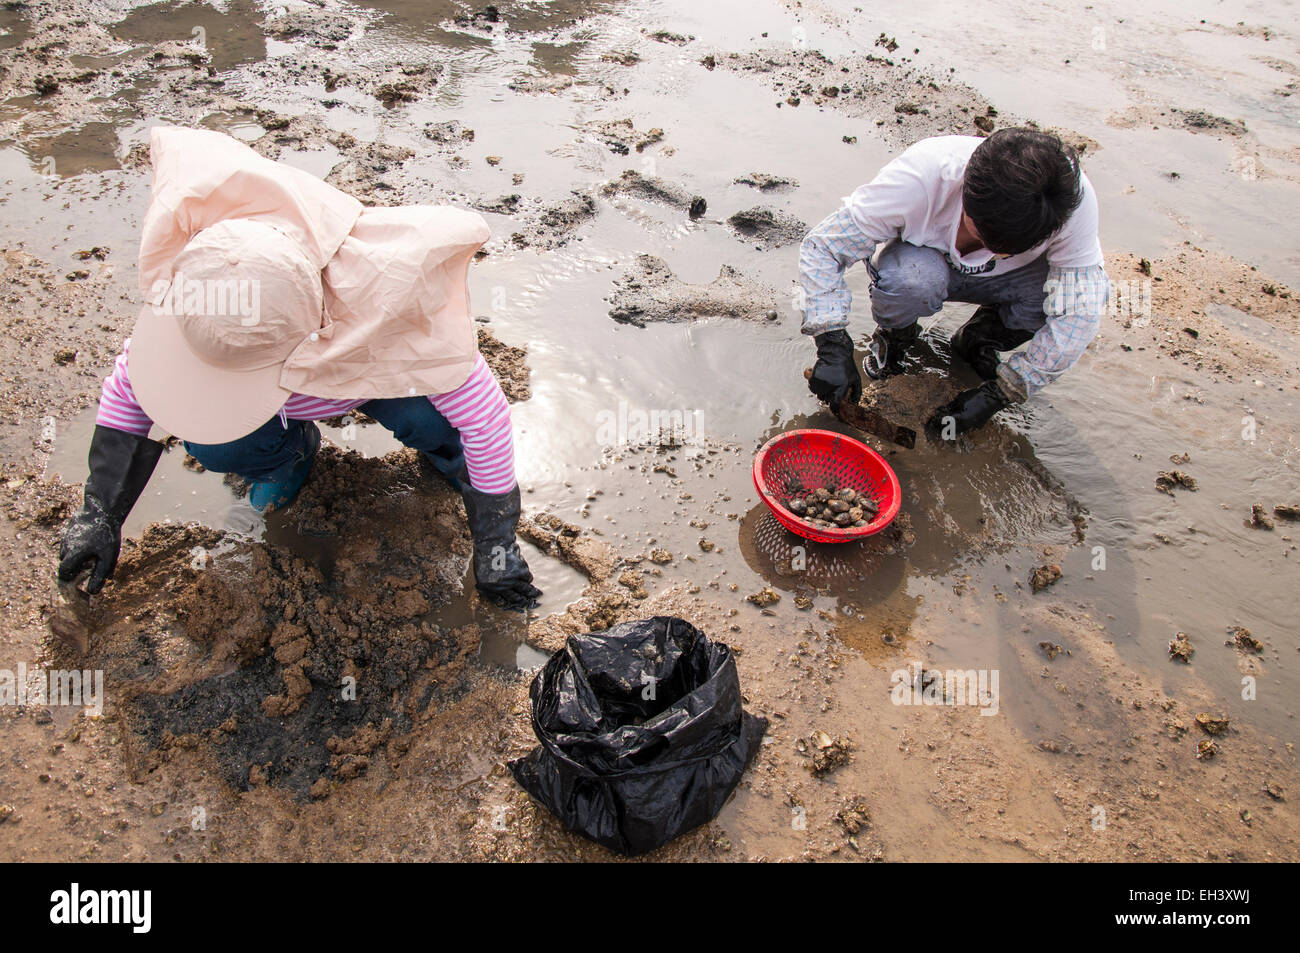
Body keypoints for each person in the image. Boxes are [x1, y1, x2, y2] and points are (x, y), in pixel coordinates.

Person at [57, 126, 541, 611]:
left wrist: (496, 544)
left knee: (430, 417)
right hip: (279, 403)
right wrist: (99, 512)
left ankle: (448, 460)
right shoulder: (205, 288)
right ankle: (289, 456)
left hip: (368, 369)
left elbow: (486, 418)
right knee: (213, 441)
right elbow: (129, 391)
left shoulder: (391, 309)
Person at [799, 128, 1109, 438]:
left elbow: (1079, 314)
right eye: (980, 234)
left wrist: (1001, 393)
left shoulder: (1070, 206)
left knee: (1071, 293)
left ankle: (980, 340)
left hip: (1010, 281)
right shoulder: (923, 176)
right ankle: (895, 339)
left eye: (1004, 248)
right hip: (921, 267)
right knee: (909, 282)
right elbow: (823, 247)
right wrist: (831, 342)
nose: (988, 250)